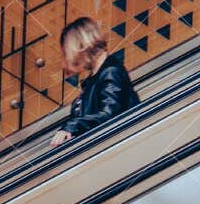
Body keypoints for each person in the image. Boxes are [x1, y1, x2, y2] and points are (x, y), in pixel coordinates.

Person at [50, 17, 139, 147]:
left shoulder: (111, 72)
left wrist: (73, 125)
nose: (70, 58)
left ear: (82, 47)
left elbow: (110, 113)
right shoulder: (94, 78)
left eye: (69, 52)